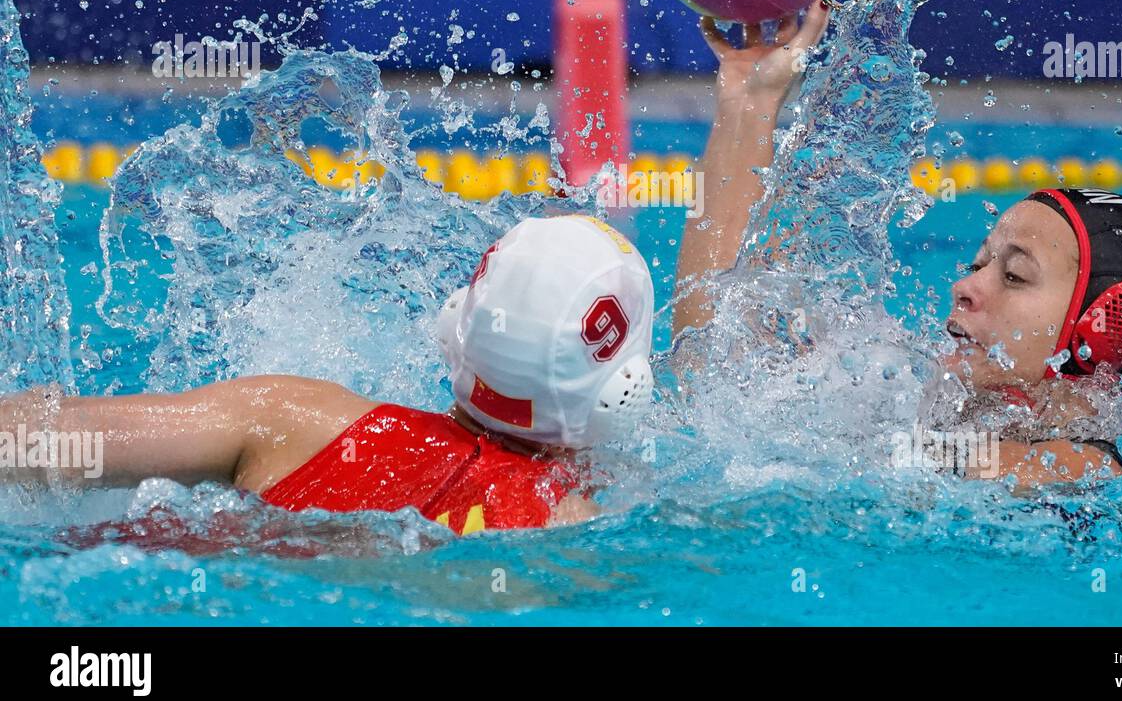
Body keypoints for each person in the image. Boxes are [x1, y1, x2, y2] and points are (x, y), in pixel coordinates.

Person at [675, 0, 1122, 485]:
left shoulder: (1079, 472)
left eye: (1016, 275)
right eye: (980, 264)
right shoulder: (928, 402)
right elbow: (711, 364)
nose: (964, 287)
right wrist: (749, 106)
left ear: (1101, 335)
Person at [5, 215, 656, 536]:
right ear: (620, 389)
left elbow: (37, 434)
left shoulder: (291, 418)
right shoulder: (572, 522)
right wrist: (744, 100)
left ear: (457, 322)